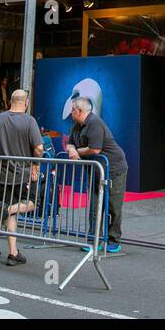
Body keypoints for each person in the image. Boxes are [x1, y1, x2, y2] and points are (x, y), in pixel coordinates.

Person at [0, 89, 45, 265]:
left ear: (11, 101)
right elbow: (39, 148)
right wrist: (35, 165)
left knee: (12, 209)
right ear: (25, 103)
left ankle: (13, 252)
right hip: (23, 174)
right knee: (32, 203)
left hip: (2, 174)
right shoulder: (29, 120)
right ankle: (6, 211)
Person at [67, 96, 128, 253]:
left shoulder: (95, 123)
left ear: (80, 111)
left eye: (72, 110)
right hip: (96, 171)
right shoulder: (77, 126)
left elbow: (95, 149)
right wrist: (71, 148)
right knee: (94, 206)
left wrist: (76, 151)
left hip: (113, 169)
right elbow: (69, 142)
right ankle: (94, 240)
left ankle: (114, 240)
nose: (71, 113)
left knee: (113, 206)